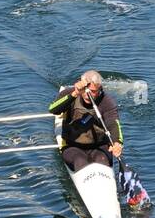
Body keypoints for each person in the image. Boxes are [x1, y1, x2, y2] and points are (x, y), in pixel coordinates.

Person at [49, 72, 149, 208]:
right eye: (86, 90)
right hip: (72, 146)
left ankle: (108, 201)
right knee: (80, 161)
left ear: (100, 88)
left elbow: (114, 124)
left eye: (94, 91)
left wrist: (117, 143)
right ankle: (91, 199)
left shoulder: (107, 101)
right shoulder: (70, 93)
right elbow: (53, 109)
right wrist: (74, 94)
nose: (89, 94)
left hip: (100, 146)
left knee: (102, 161)